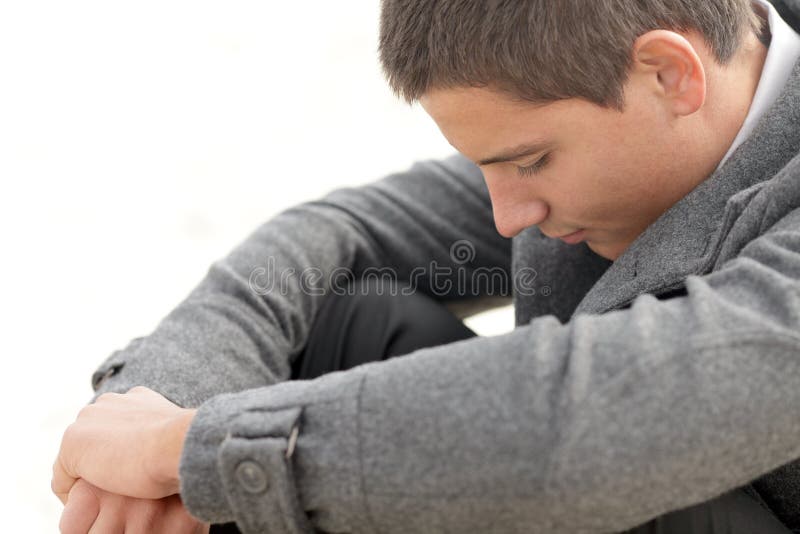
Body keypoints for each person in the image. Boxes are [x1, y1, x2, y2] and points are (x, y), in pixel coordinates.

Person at [52, 0, 800, 532]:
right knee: (349, 320)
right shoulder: (608, 132)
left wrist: (195, 448)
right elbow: (338, 236)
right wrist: (158, 405)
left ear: (670, 74)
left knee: (605, 463)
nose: (507, 217)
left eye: (530, 161)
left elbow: (618, 409)